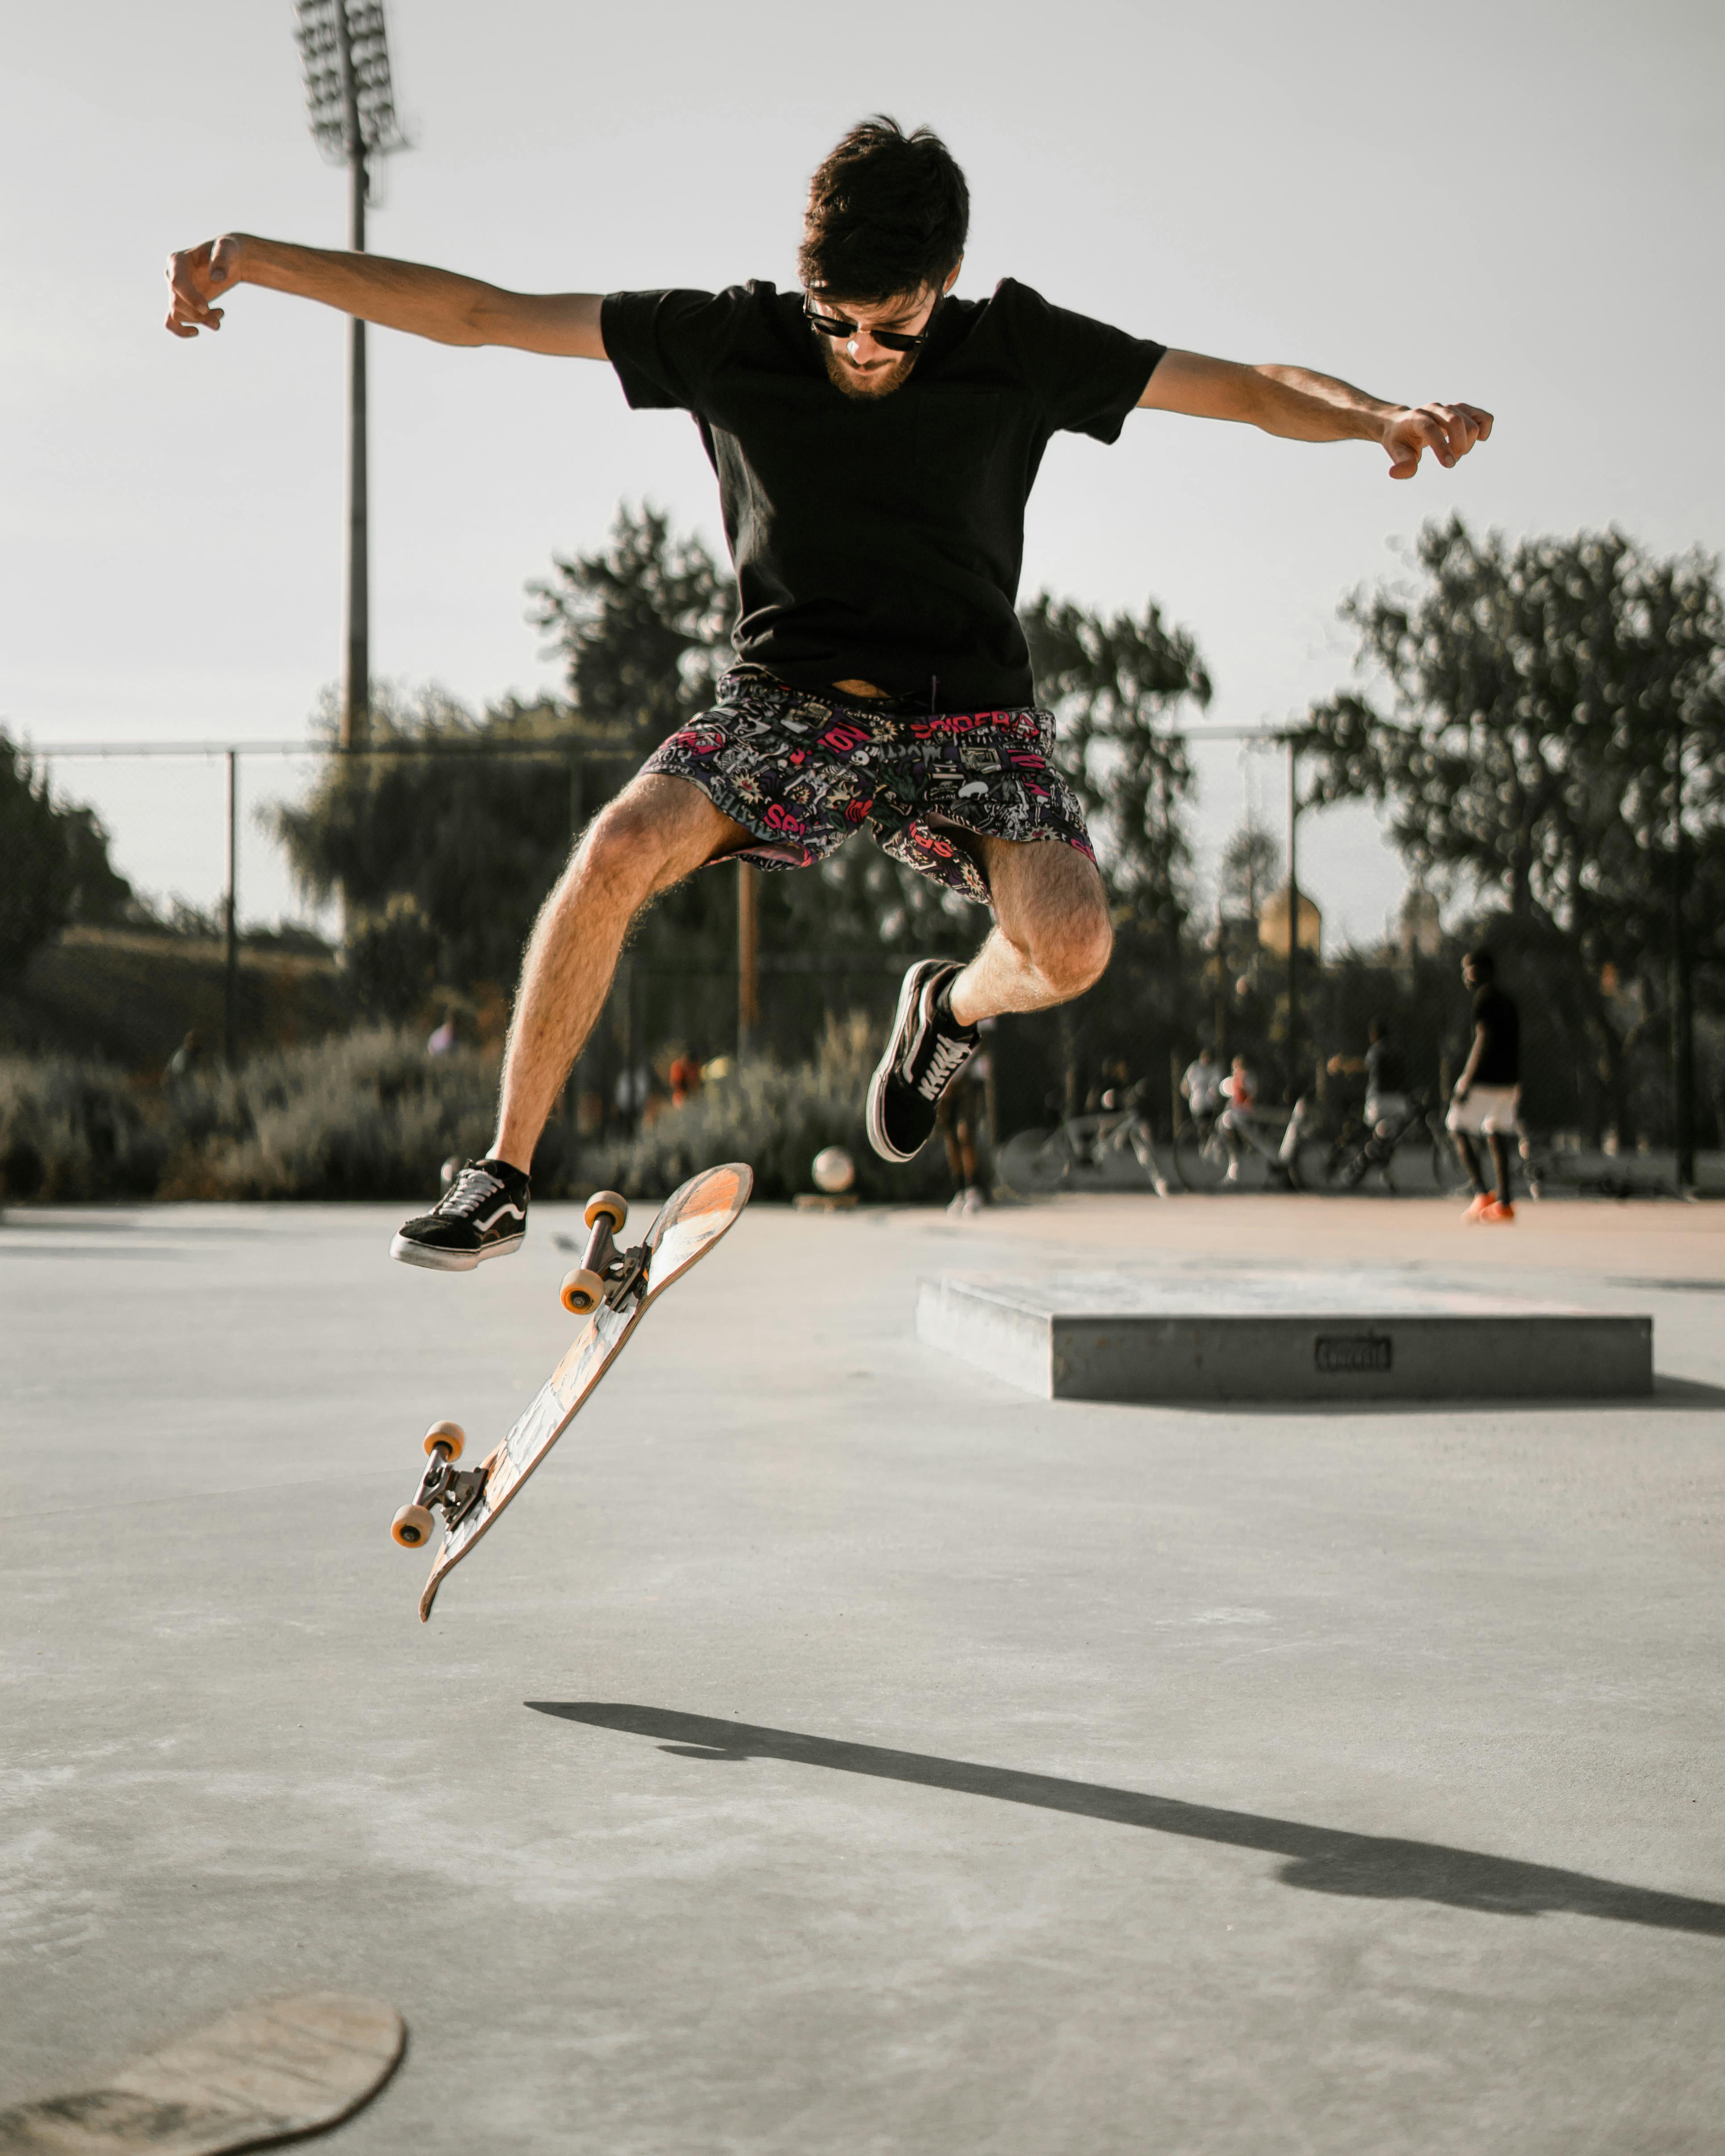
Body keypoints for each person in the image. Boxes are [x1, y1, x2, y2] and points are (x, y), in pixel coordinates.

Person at [164, 117, 1493, 1271]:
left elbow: (1247, 387)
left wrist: (1375, 416)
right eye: (835, 322)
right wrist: (255, 257)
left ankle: (947, 1012)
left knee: (1074, 945)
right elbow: (480, 314)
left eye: (893, 326)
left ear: (945, 282)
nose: (858, 349)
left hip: (968, 711)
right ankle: (500, 1174)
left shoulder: (1017, 349)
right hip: (787, 700)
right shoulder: (731, 337)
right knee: (620, 843)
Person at [1447, 950, 1520, 1222]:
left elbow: (1483, 1040)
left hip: (1486, 1080)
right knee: (1496, 1131)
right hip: (1510, 1081)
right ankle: (1505, 1203)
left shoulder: (1485, 999)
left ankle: (1481, 1193)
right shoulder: (1508, 1002)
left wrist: (1467, 1079)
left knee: (1456, 1126)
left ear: (1486, 970)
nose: (1467, 975)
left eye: (1471, 968)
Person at [1180, 1045, 1224, 1128]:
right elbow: (1184, 1086)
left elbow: (1221, 1087)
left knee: (1212, 1126)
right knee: (1201, 1126)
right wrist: (1190, 1096)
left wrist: (1218, 1097)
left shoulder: (1215, 1069)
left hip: (1212, 1105)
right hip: (1198, 1104)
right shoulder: (1194, 1068)